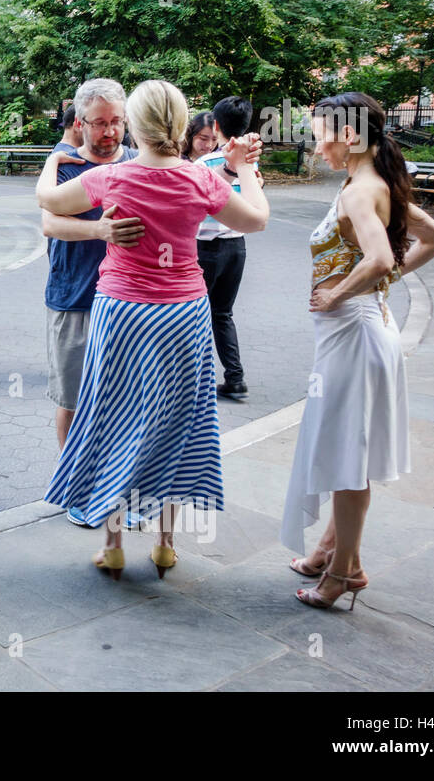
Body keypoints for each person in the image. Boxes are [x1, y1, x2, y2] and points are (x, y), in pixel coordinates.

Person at [36, 80, 269, 581]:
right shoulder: (200, 180)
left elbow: (51, 206)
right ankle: (165, 544)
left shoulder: (113, 178)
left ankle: (114, 544)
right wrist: (246, 168)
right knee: (178, 421)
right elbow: (255, 220)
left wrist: (52, 163)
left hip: (122, 311)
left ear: (133, 127)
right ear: (182, 126)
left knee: (112, 416)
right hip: (183, 313)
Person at [283, 92, 434, 609]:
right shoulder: (375, 186)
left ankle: (340, 576)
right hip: (363, 332)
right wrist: (377, 286)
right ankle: (330, 554)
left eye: (320, 133)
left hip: (355, 337)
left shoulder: (360, 193)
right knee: (347, 452)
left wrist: (339, 292)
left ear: (350, 136)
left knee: (347, 460)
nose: (316, 145)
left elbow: (378, 257)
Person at [40, 84, 142, 532]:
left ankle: (121, 487)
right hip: (74, 295)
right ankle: (78, 486)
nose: (111, 130)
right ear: (80, 122)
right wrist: (100, 231)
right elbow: (49, 223)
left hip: (130, 300)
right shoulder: (66, 164)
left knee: (124, 399)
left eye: (117, 120)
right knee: (73, 398)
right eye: (100, 122)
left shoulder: (137, 163)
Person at [195, 96, 261, 401]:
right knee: (222, 313)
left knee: (196, 313)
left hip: (204, 248)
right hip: (237, 247)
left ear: (216, 125)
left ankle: (195, 378)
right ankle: (235, 377)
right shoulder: (250, 162)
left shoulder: (204, 165)